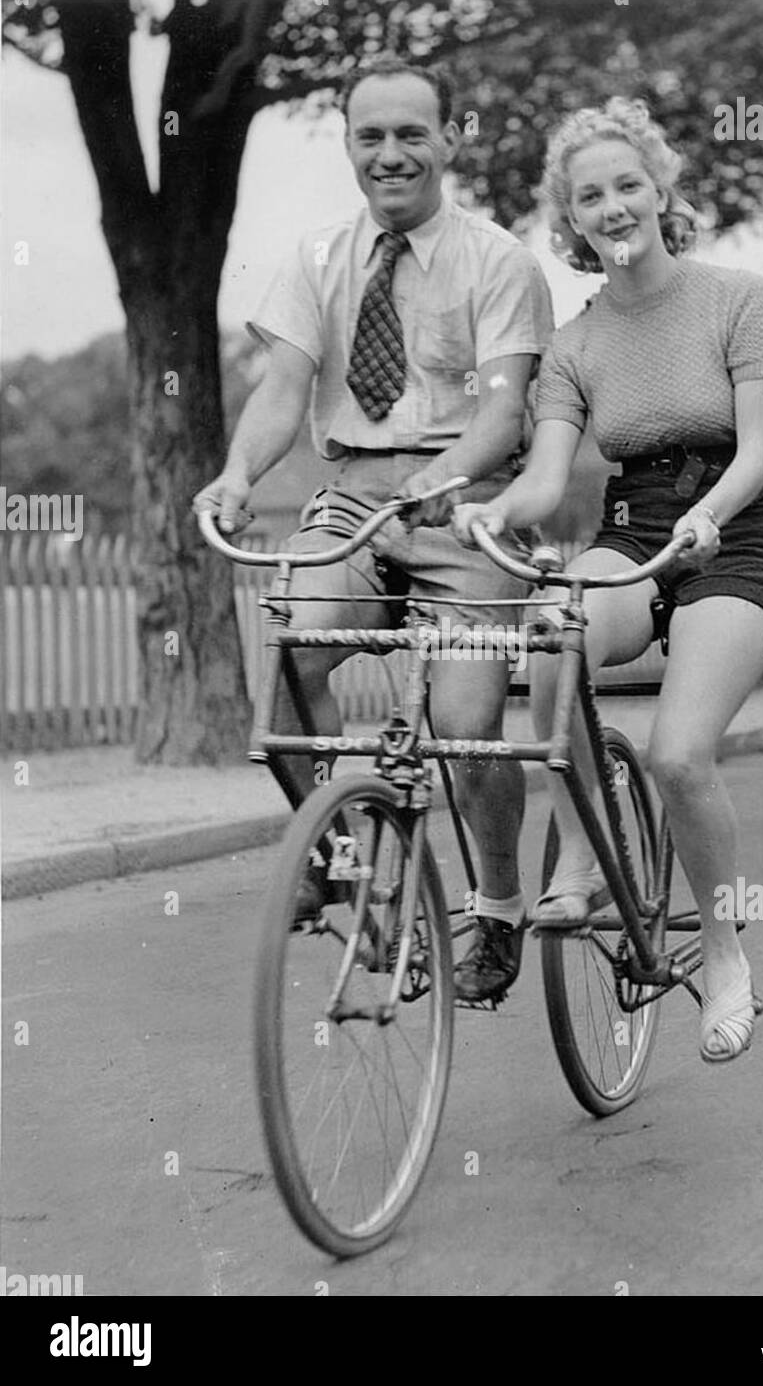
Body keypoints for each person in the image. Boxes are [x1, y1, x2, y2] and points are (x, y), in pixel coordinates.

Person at [193, 53, 554, 1005]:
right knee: (282, 671)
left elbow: (504, 410)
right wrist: (236, 476)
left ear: (450, 139)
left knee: (467, 727)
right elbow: (283, 390)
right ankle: (344, 856)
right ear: (350, 145)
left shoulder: (500, 262)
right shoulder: (318, 258)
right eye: (371, 136)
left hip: (466, 511)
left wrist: (445, 481)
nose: (391, 154)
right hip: (352, 502)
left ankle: (500, 905)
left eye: (410, 134)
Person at [453, 96, 763, 1062]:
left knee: (679, 755)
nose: (612, 208)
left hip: (738, 529)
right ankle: (584, 853)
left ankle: (724, 957)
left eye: (627, 186)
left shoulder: (738, 298)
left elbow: (758, 450)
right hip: (635, 525)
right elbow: (549, 477)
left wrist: (709, 517)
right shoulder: (575, 343)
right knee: (552, 628)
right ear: (570, 217)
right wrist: (496, 510)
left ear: (661, 191)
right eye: (589, 197)